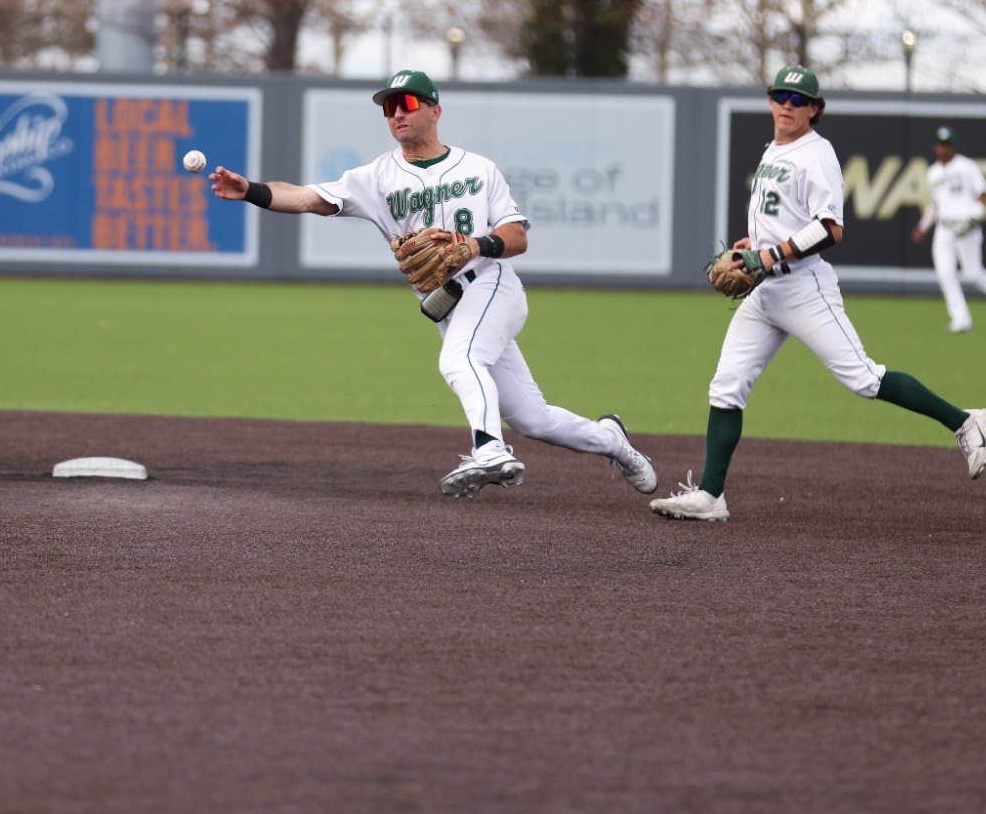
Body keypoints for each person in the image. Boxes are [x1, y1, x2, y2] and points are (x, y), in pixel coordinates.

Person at [207, 70, 660, 500]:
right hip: (448, 304)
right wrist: (249, 190)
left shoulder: (478, 169)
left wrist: (474, 245)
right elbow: (306, 197)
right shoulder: (376, 178)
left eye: (405, 103)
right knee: (533, 419)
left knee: (460, 359)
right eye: (388, 108)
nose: (396, 114)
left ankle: (489, 450)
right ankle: (614, 442)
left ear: (435, 110)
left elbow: (517, 236)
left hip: (491, 284)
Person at [650, 67, 986, 523]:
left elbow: (830, 228)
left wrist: (770, 255)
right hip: (766, 289)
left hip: (803, 286)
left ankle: (967, 422)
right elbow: (784, 219)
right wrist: (753, 245)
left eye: (799, 99)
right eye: (781, 96)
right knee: (726, 386)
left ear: (815, 109)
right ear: (770, 101)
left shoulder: (818, 153)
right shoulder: (773, 148)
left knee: (864, 378)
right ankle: (712, 495)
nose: (788, 105)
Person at [910, 126, 986, 333]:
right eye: (940, 145)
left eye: (947, 145)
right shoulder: (933, 173)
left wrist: (975, 216)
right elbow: (935, 204)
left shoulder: (966, 167)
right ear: (935, 147)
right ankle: (961, 319)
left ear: (953, 147)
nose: (943, 149)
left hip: (966, 228)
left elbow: (983, 193)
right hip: (944, 229)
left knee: (973, 274)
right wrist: (923, 226)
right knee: (945, 274)